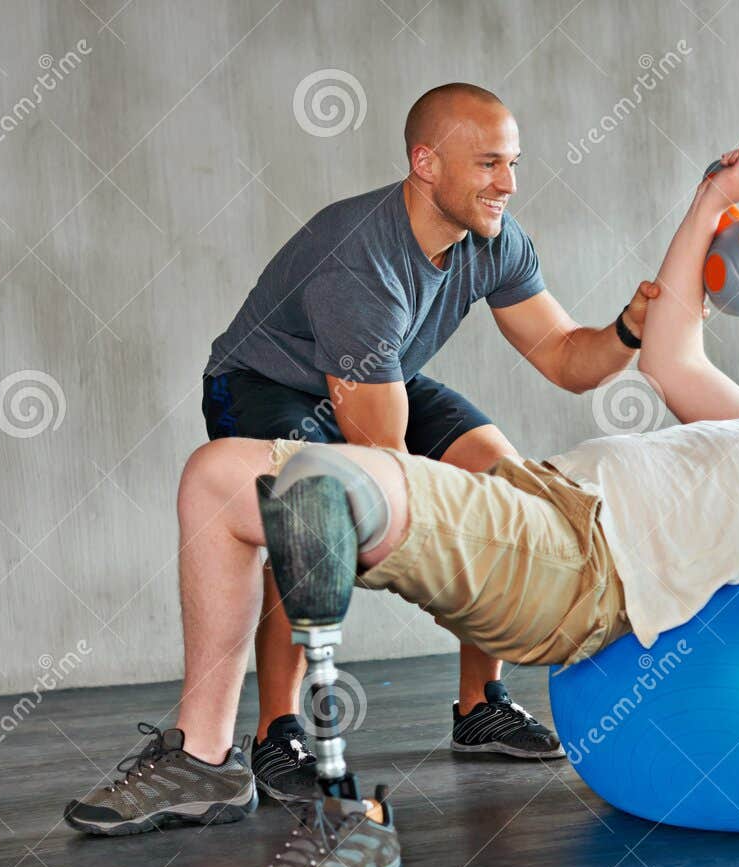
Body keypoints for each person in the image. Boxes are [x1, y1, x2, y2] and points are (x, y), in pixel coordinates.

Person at [63, 136, 739, 867]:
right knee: (217, 478)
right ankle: (205, 754)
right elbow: (671, 359)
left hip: (575, 562)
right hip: (545, 503)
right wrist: (705, 208)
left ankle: (343, 814)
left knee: (316, 485)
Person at [189, 82, 665, 800]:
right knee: (309, 519)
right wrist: (453, 552)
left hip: (381, 374)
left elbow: (567, 358)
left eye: (513, 163)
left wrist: (630, 330)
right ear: (426, 163)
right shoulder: (360, 261)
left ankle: (479, 706)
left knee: (505, 486)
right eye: (488, 164)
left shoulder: (493, 239)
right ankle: (276, 732)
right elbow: (389, 465)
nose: (508, 184)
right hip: (268, 381)